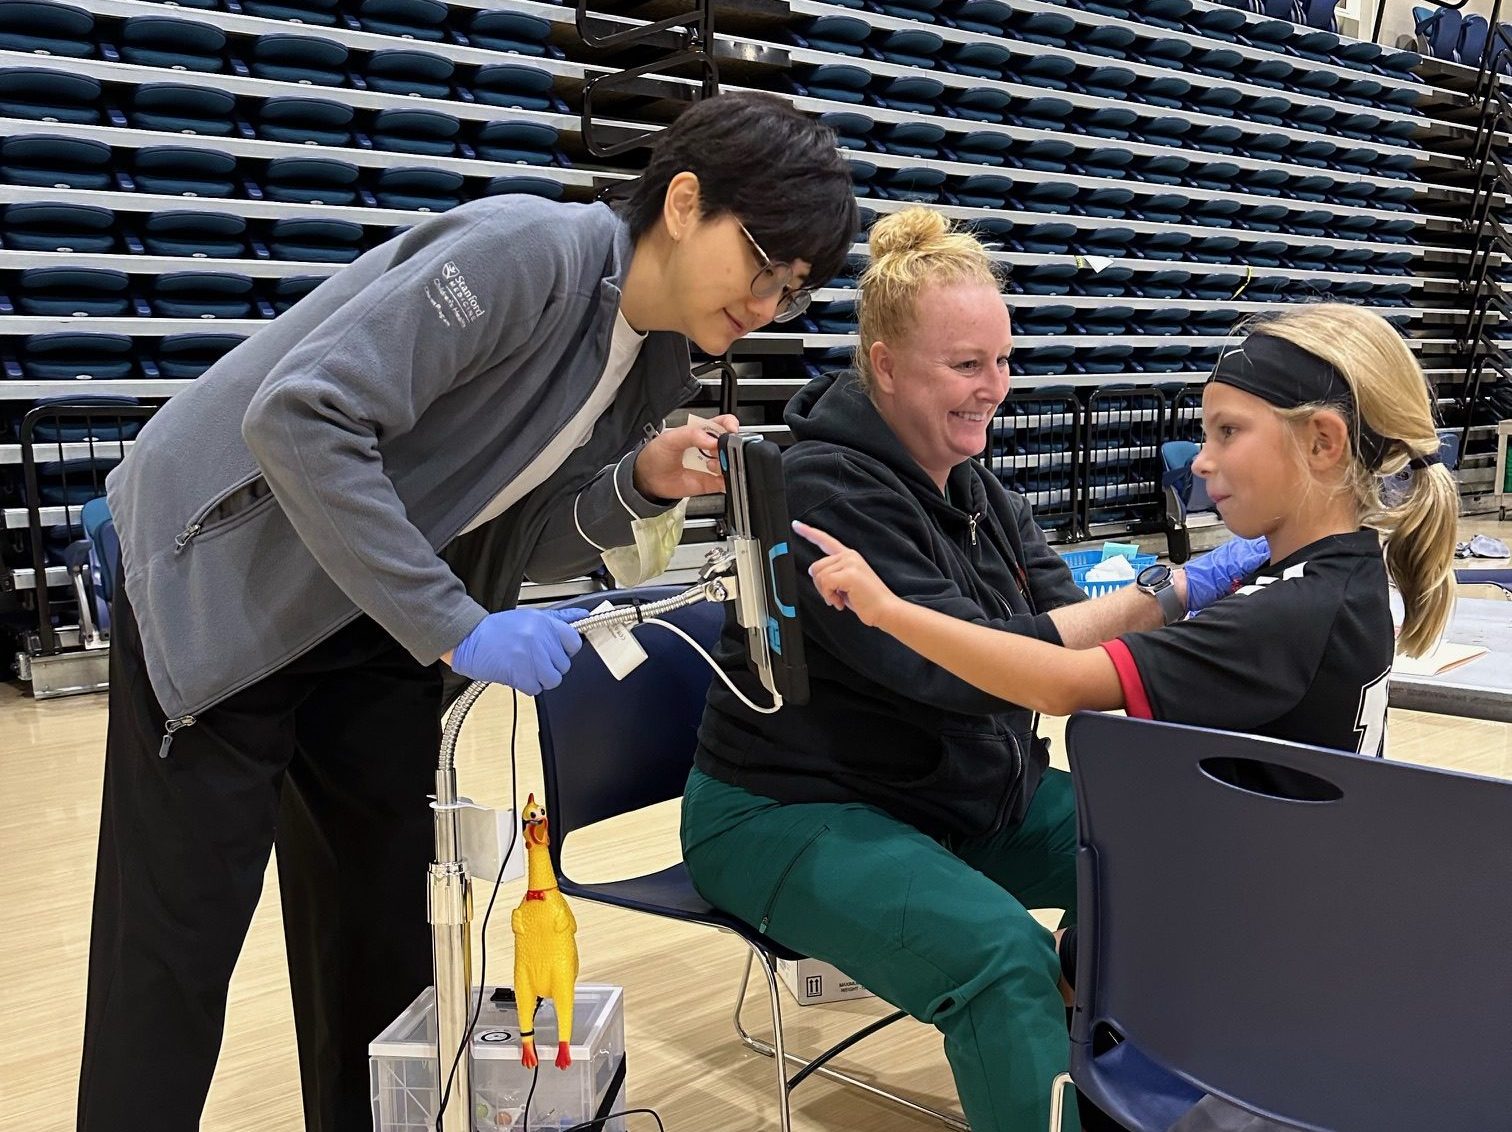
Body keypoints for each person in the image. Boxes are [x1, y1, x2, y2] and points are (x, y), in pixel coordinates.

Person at [79, 91, 859, 1132]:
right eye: (764, 265)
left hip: (370, 618)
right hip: (223, 581)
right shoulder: (531, 251)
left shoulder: (657, 359)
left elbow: (504, 534)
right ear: (684, 202)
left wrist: (642, 485)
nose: (767, 304)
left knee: (377, 944)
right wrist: (454, 622)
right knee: (172, 957)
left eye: (795, 291)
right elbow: (301, 419)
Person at [679, 206, 1268, 1132]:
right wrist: (1176, 590)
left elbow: (1056, 622)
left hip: (953, 794)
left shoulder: (974, 485)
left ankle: (1100, 1065)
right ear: (882, 365)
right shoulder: (823, 492)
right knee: (1002, 960)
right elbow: (978, 671)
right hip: (788, 812)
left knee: (1174, 852)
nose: (994, 387)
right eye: (965, 365)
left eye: (1001, 360)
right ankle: (1049, 1042)